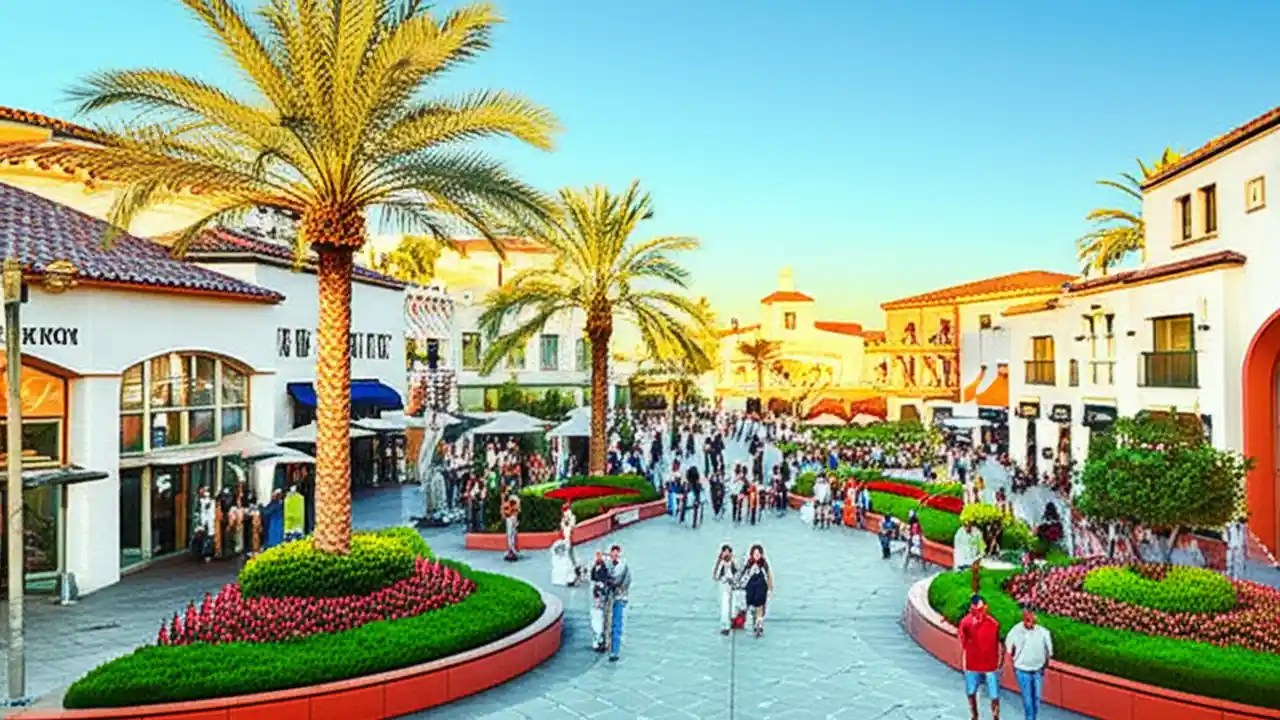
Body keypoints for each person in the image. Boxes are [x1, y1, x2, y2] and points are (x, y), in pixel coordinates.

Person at [958, 594, 1003, 720]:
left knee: (994, 694)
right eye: (978, 608)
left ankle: (995, 717)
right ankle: (974, 716)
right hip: (972, 664)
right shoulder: (966, 623)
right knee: (971, 692)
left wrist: (999, 660)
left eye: (982, 608)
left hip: (990, 665)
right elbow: (963, 640)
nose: (981, 611)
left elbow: (998, 642)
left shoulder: (994, 624)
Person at [1005, 605, 1053, 720]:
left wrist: (1044, 666)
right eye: (1027, 619)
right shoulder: (1015, 631)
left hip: (1037, 671)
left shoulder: (1043, 633)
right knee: (1028, 700)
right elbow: (1009, 650)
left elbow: (1049, 652)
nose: (1029, 622)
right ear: (1023, 617)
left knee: (1036, 699)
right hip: (1022, 671)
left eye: (1032, 619)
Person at [735, 544, 774, 637]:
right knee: (747, 605)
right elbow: (742, 573)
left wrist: (770, 585)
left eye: (758, 553)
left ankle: (759, 624)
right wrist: (738, 583)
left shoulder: (763, 563)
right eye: (755, 553)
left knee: (760, 606)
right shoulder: (749, 563)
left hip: (761, 586)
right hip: (750, 586)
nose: (756, 555)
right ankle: (744, 620)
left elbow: (768, 574)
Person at [607, 544, 631, 662]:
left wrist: (607, 579)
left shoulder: (622, 566)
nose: (615, 555)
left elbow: (617, 580)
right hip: (609, 598)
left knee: (617, 624)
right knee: (608, 623)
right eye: (613, 553)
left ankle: (615, 651)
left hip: (619, 597)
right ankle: (608, 645)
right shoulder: (609, 564)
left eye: (617, 553)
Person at [711, 544, 739, 635]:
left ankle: (734, 621)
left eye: (728, 552)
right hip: (724, 585)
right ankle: (725, 626)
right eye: (724, 552)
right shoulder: (720, 563)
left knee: (734, 605)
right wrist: (721, 562)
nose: (726, 554)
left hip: (733, 585)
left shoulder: (734, 562)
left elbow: (739, 572)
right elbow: (716, 576)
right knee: (725, 606)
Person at [589, 551, 612, 652]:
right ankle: (599, 640)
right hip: (597, 601)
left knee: (603, 620)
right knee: (597, 620)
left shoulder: (604, 570)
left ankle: (603, 641)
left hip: (602, 600)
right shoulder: (595, 568)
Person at [501, 484, 521, 562]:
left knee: (511, 535)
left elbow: (513, 508)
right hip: (511, 517)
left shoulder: (512, 499)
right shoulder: (509, 498)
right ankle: (511, 550)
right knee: (511, 535)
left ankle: (512, 551)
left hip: (512, 517)